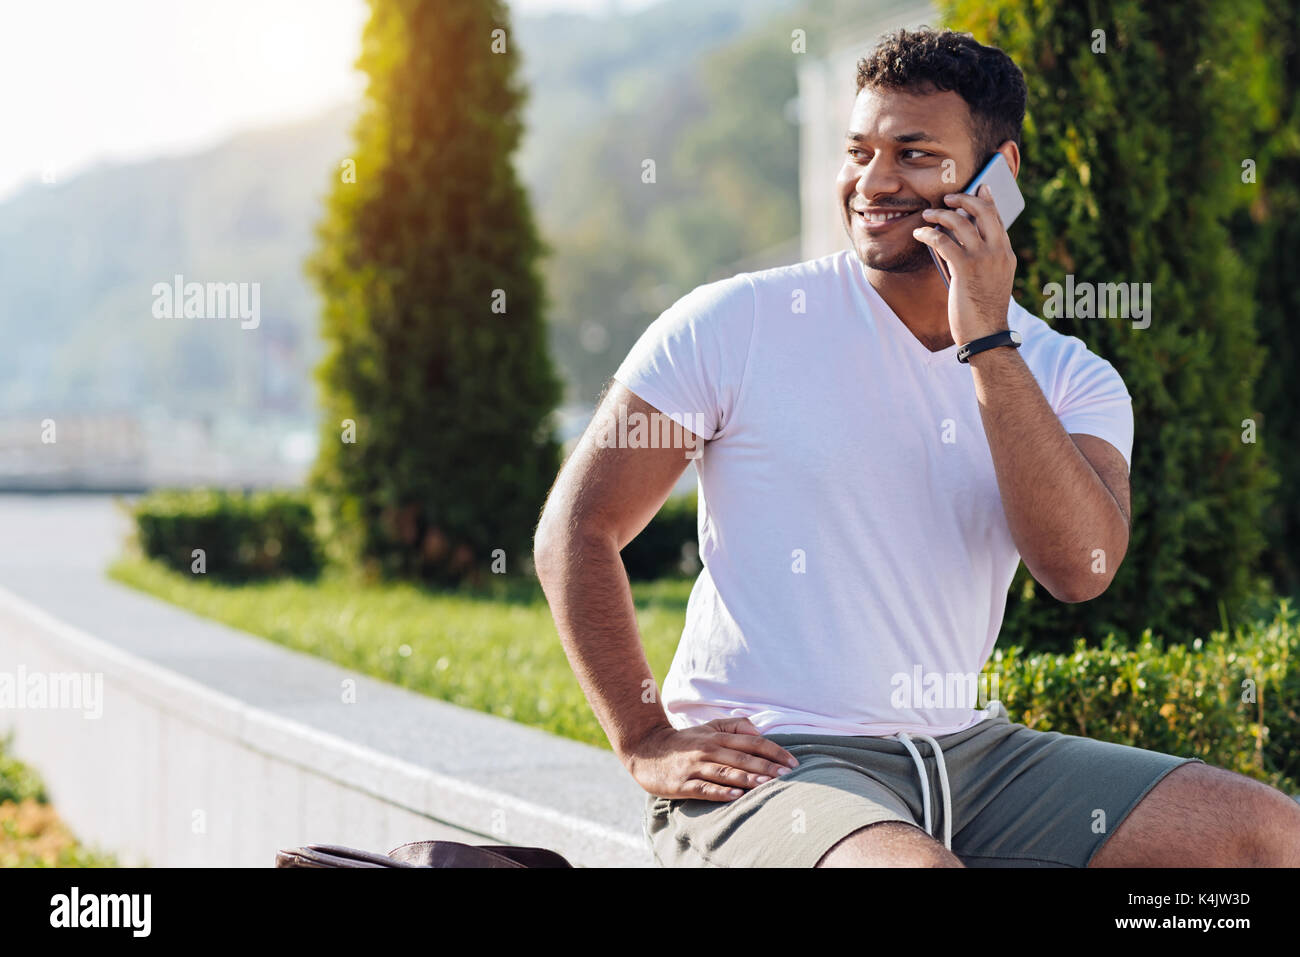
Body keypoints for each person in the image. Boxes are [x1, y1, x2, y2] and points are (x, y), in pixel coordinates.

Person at [533, 27, 1300, 867]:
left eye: (913, 152)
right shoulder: (733, 323)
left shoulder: (1071, 377)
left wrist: (987, 340)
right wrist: (643, 732)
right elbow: (575, 528)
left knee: (1269, 839)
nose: (874, 181)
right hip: (780, 765)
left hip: (971, 760)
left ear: (998, 177)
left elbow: (1079, 569)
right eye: (858, 149)